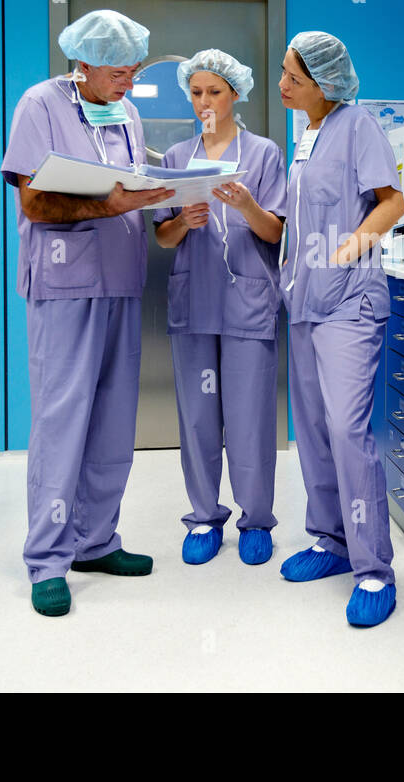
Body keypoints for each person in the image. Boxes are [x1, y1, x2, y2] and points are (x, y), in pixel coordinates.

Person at [0, 10, 174, 617]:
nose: (128, 82)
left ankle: (96, 541)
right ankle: (48, 560)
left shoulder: (126, 113)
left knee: (113, 422)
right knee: (62, 419)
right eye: (118, 72)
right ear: (86, 63)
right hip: (64, 282)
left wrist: (164, 198)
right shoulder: (39, 105)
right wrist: (110, 203)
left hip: (122, 282)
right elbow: (34, 199)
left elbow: (129, 186)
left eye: (134, 71)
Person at [276, 31, 404, 627]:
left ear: (324, 84)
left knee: (349, 430)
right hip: (305, 302)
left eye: (293, 79)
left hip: (349, 301)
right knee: (313, 429)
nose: (282, 86)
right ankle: (329, 540)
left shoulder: (357, 125)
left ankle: (374, 568)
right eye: (283, 74)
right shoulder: (306, 134)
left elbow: (391, 202)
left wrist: (347, 250)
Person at [153, 49, 287, 566]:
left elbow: (276, 233)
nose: (205, 101)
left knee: (251, 416)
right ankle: (205, 517)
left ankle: (256, 520)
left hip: (247, 300)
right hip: (195, 302)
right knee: (198, 417)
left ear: (234, 93)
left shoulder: (263, 155)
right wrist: (183, 221)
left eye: (215, 91)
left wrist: (245, 205)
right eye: (196, 92)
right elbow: (163, 238)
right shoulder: (175, 159)